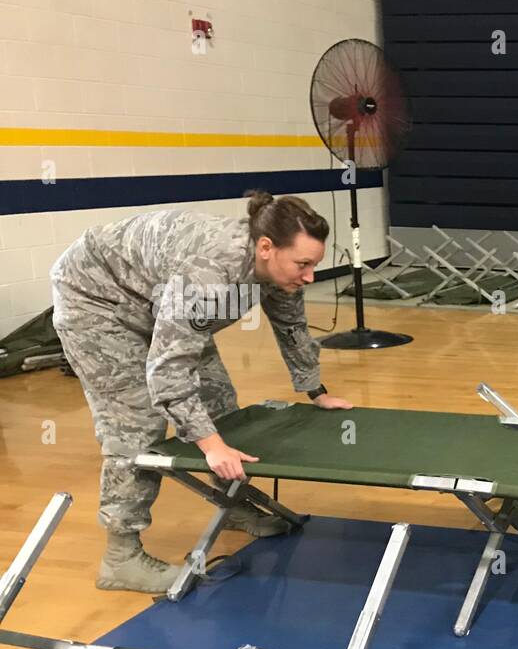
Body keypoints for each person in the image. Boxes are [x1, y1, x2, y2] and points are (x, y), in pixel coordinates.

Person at [51, 191, 353, 593]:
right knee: (136, 423)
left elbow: (291, 324)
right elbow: (168, 370)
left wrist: (315, 390)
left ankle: (230, 505)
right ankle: (120, 557)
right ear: (266, 248)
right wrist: (211, 446)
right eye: (303, 264)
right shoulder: (211, 275)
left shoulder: (272, 267)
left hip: (157, 297)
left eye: (315, 265)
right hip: (97, 301)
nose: (311, 276)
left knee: (219, 402)